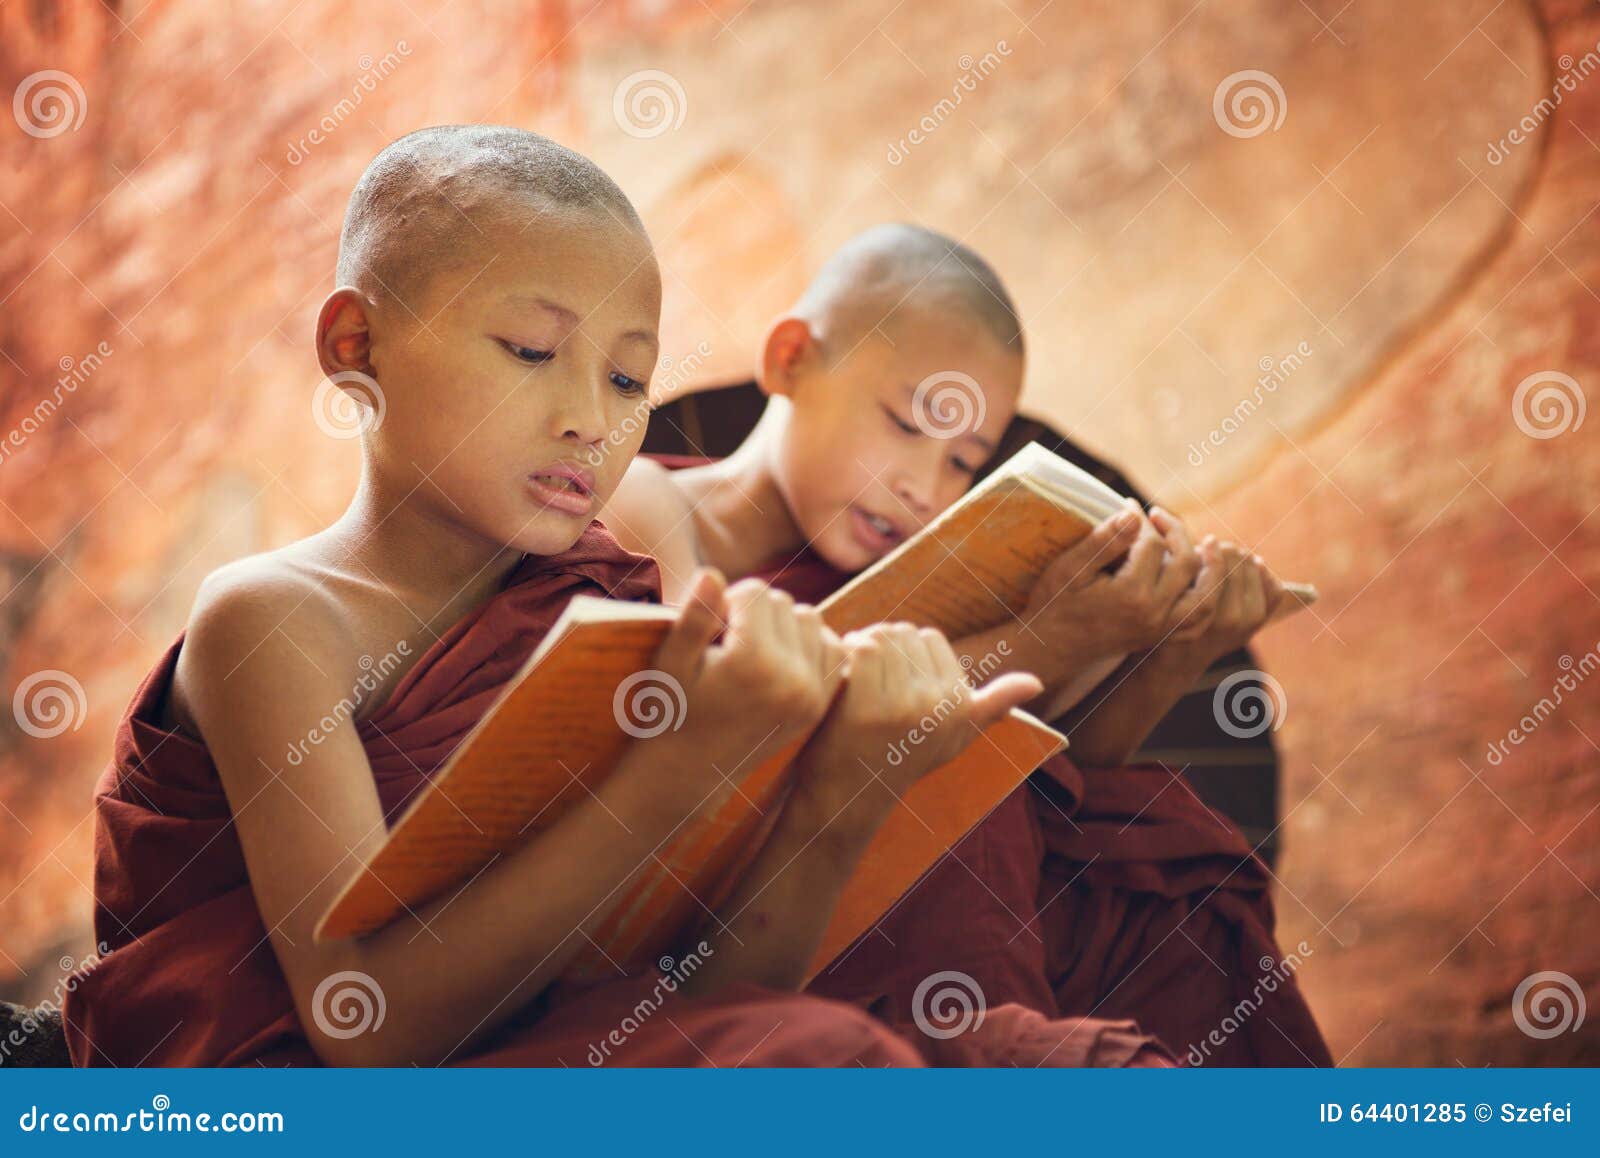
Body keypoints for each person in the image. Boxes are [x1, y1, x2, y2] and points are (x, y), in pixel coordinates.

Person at [61, 129, 1176, 1069]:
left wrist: (844, 790)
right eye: (531, 349)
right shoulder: (275, 619)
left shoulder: (606, 594)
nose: (591, 419)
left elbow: (706, 1000)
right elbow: (367, 1027)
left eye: (629, 377)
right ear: (358, 345)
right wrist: (677, 767)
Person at [603, 223, 1333, 1065]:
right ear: (791, 359)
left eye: (963, 462)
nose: (923, 486)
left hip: (999, 958)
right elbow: (749, 737)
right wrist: (1050, 637)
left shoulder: (929, 575)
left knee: (1169, 908)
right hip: (789, 951)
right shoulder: (649, 502)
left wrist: (1173, 652)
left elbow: (1049, 804)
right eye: (905, 424)